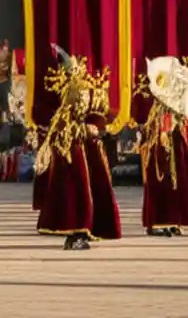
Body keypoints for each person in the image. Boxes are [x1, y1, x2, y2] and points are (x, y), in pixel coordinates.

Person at [34, 50, 122, 250]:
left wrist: (95, 126)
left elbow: (100, 113)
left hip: (84, 145)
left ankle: (88, 228)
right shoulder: (67, 90)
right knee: (78, 189)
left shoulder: (87, 89)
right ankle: (78, 231)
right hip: (73, 146)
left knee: (90, 187)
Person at [137, 57, 188, 235]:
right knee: (163, 181)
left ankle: (175, 220)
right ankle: (161, 221)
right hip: (161, 149)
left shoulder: (175, 108)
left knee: (179, 180)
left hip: (175, 146)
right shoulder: (156, 108)